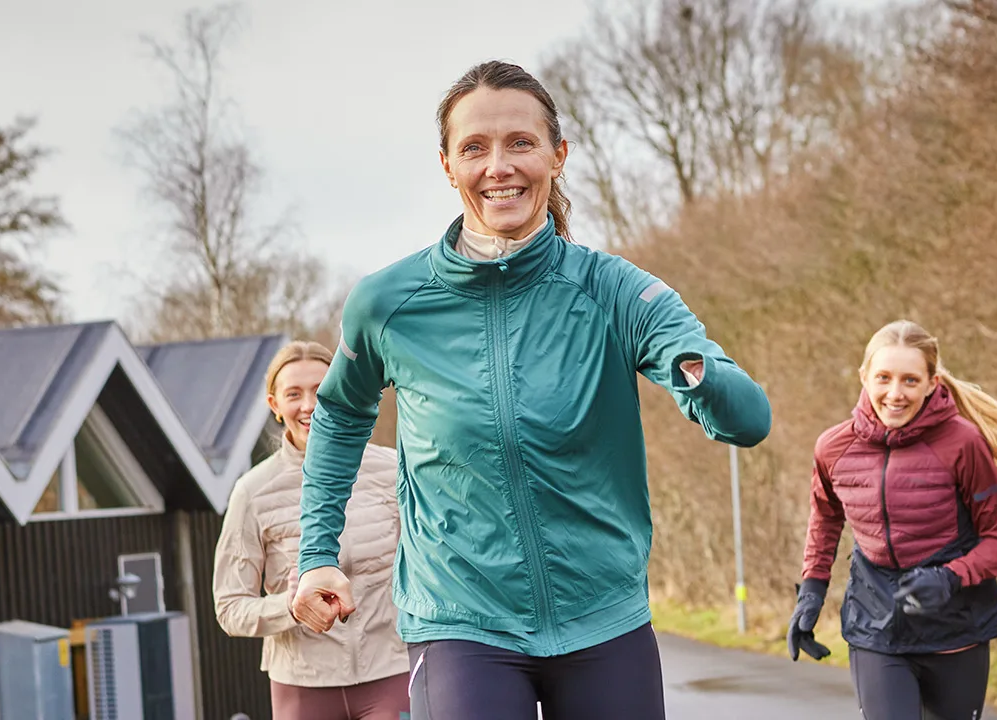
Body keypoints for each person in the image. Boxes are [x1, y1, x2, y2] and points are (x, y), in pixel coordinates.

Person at [289, 60, 772, 720]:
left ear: (557, 155)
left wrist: (698, 371)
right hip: (460, 617)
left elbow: (747, 420)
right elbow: (341, 416)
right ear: (447, 166)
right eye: (475, 148)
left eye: (520, 143)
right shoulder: (388, 305)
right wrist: (317, 555)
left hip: (601, 613)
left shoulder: (613, 291)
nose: (499, 166)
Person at [787, 320, 997, 720]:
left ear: (931, 383)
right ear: (864, 377)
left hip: (954, 630)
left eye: (909, 380)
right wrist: (812, 593)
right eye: (883, 378)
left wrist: (949, 577)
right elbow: (825, 519)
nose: (895, 393)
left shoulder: (962, 443)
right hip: (876, 627)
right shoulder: (834, 447)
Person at [212, 340, 409, 720]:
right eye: (293, 394)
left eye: (320, 391)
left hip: (391, 670)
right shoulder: (253, 492)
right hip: (301, 685)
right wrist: (289, 607)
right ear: (274, 406)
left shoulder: (392, 470)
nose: (309, 405)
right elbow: (230, 607)